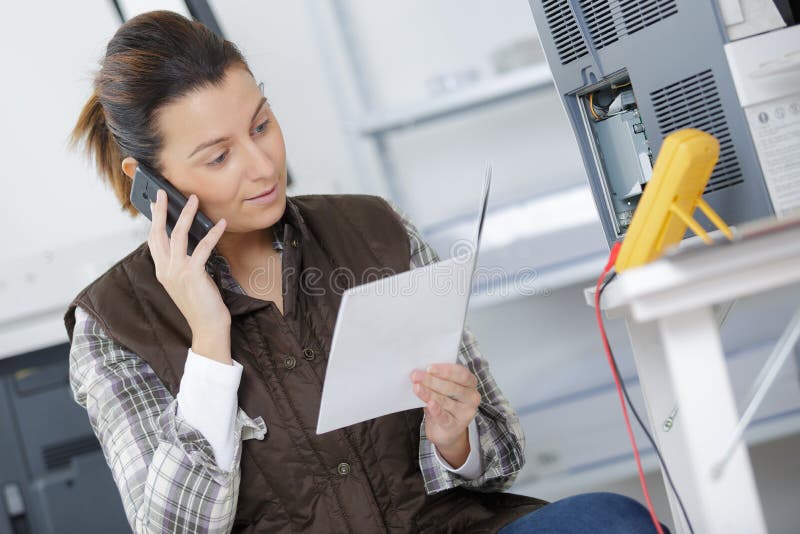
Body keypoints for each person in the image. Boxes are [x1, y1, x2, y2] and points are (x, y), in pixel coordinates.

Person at [64, 10, 670, 534]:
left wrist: (455, 438)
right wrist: (208, 343)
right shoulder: (111, 324)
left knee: (615, 521)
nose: (262, 165)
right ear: (147, 182)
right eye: (219, 156)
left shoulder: (374, 229)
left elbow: (501, 453)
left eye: (262, 125)